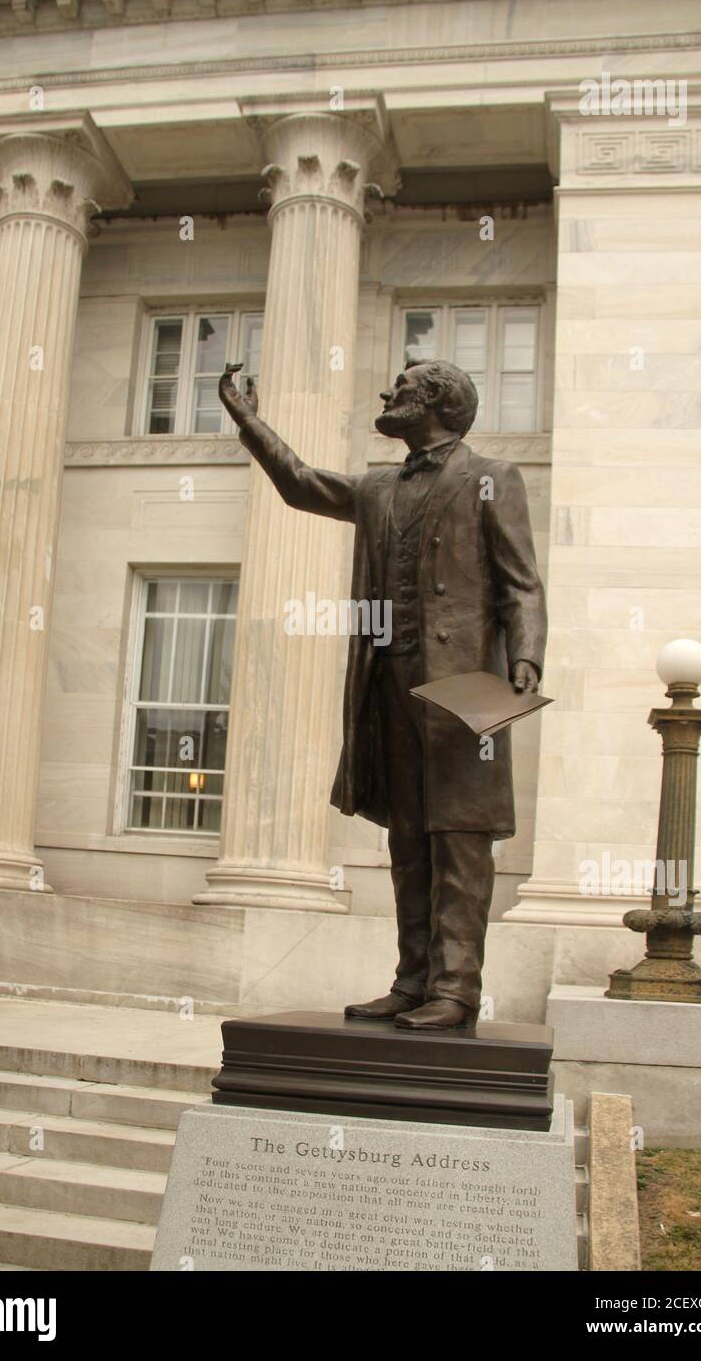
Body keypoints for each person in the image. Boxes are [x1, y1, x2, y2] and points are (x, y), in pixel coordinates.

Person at [218, 357, 546, 1031]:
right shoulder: (376, 488)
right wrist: (249, 421)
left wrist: (526, 657)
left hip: (463, 690)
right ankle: (411, 981)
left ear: (439, 402)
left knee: (458, 836)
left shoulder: (491, 478)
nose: (387, 392)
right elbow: (303, 484)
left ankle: (455, 991)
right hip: (388, 682)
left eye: (402, 387)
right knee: (407, 838)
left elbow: (521, 582)